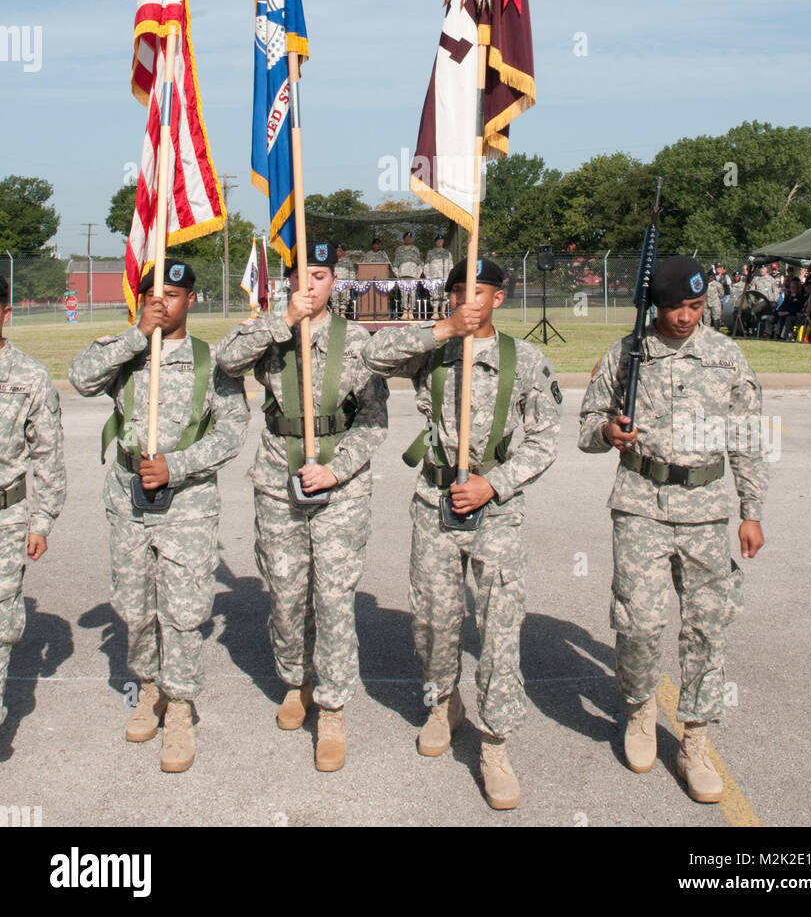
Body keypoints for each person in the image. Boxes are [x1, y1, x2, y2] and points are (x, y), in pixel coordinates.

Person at [364, 257, 561, 811]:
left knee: (498, 625)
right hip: (433, 500)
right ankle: (442, 702)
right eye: (456, 293)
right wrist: (444, 329)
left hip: (494, 507)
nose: (465, 301)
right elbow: (370, 356)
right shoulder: (432, 348)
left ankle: (496, 743)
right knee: (432, 616)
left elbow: (545, 440)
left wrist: (494, 485)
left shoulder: (523, 360)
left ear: (499, 298)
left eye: (477, 292)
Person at [578, 256, 767, 805]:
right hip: (639, 504)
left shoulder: (726, 356)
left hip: (707, 510)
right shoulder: (627, 354)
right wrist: (610, 432)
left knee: (707, 626)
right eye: (675, 307)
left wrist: (751, 509)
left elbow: (749, 436)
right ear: (654, 306)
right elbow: (588, 428)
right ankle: (639, 710)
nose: (686, 317)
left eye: (695, 306)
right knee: (637, 621)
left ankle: (696, 738)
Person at [68, 260, 249, 773]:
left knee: (185, 608)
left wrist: (179, 465)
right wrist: (135, 335)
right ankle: (147, 688)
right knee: (134, 602)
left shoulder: (212, 362)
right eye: (153, 293)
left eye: (173, 294)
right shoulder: (125, 354)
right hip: (127, 498)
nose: (162, 302)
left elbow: (233, 431)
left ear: (192, 300)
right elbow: (80, 379)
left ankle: (181, 709)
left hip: (186, 502)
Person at [215, 242, 388, 773]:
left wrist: (338, 467)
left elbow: (375, 420)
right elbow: (225, 360)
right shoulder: (270, 335)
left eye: (320, 276)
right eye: (301, 277)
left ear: (335, 282)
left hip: (340, 487)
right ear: (287, 283)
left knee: (333, 598)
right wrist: (280, 321)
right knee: (287, 595)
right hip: (276, 479)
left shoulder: (358, 341)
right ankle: (297, 681)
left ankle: (333, 707)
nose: (310, 286)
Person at [0, 275, 65, 731]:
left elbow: (47, 455)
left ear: (5, 315)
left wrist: (42, 520)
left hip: (6, 518)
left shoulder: (29, 377)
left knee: (1, 627)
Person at [422, 232, 453, 319]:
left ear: (443, 242)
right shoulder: (430, 252)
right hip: (433, 277)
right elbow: (427, 264)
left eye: (441, 240)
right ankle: (435, 313)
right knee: (434, 295)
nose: (439, 242)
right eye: (438, 240)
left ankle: (442, 312)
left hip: (444, 277)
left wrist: (450, 276)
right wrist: (427, 276)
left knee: (444, 295)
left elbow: (451, 265)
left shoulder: (447, 253)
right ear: (435, 242)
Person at [393, 231, 423, 319]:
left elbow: (420, 263)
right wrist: (397, 274)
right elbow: (395, 264)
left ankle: (411, 311)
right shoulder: (399, 250)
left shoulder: (415, 249)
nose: (408, 239)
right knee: (404, 294)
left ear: (412, 239)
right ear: (404, 239)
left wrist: (418, 274)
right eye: (406, 238)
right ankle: (405, 311)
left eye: (409, 238)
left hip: (413, 275)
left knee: (412, 294)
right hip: (402, 275)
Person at [333, 243, 357, 319]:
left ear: (343, 252)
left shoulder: (348, 261)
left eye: (340, 251)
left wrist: (351, 283)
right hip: (334, 282)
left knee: (345, 297)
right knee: (334, 296)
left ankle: (343, 313)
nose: (338, 252)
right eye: (336, 251)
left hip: (345, 283)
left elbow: (352, 272)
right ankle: (336, 312)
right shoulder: (332, 260)